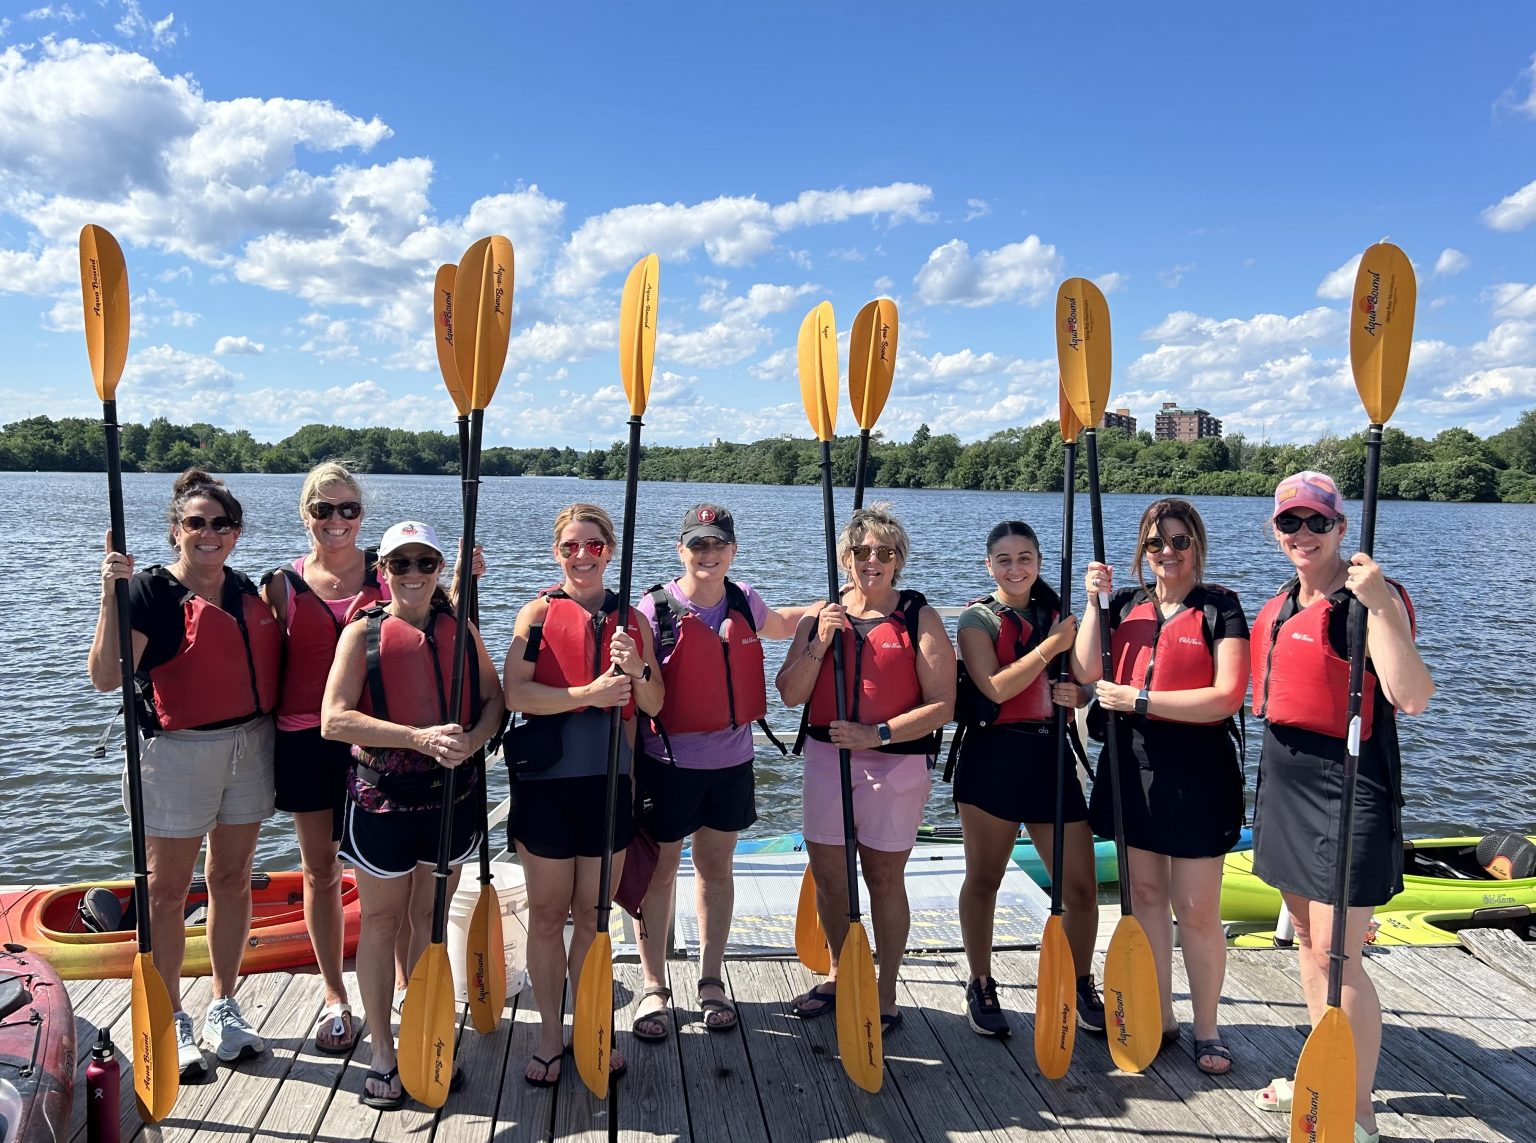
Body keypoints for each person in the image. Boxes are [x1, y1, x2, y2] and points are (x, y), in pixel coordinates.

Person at [1247, 472, 1433, 1142]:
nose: (1302, 535)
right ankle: (1321, 1071)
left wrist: (1381, 604)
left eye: (1316, 523)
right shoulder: (1282, 600)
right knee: (1306, 940)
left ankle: (1356, 1110)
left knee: (1339, 956)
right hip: (1286, 782)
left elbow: (1411, 695)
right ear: (1276, 529)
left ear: (1341, 528)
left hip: (1347, 784)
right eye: (1290, 523)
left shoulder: (1366, 602)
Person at [89, 468, 280, 1077]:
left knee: (231, 878)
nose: (208, 533)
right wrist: (107, 595)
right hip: (173, 754)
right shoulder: (147, 593)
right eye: (196, 523)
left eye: (220, 524)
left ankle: (224, 1003)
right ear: (176, 531)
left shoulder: (247, 590)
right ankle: (172, 1012)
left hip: (249, 745)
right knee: (167, 891)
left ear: (236, 534)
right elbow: (104, 677)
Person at [321, 520, 504, 1111]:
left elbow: (495, 702)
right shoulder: (362, 636)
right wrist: (417, 737)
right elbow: (333, 719)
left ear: (437, 571)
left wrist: (473, 740)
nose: (414, 575)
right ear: (384, 573)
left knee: (430, 917)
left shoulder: (462, 629)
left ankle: (430, 1028)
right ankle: (381, 1049)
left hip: (449, 797)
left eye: (425, 563)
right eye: (401, 565)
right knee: (380, 922)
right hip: (383, 800)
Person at [1071, 497, 1250, 1074]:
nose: (1167, 553)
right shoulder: (1124, 605)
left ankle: (1207, 1028)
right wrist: (1093, 603)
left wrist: (1141, 699)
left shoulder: (1221, 607)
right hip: (1131, 768)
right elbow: (1083, 672)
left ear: (1196, 545)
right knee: (1144, 898)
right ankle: (1158, 1014)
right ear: (1142, 553)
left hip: (1198, 775)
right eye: (1155, 543)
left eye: (1178, 541)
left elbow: (1227, 696)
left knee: (1195, 910)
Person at [629, 504, 809, 1041]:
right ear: (681, 549)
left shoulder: (744, 599)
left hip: (731, 761)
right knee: (660, 872)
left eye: (718, 545)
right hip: (668, 763)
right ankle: (654, 986)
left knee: (715, 870)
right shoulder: (654, 607)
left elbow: (780, 626)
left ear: (732, 550)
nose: (708, 554)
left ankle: (711, 980)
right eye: (697, 545)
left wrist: (830, 607)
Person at [775, 504, 955, 1030]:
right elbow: (789, 694)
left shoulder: (918, 615)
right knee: (831, 879)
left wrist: (876, 733)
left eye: (884, 552)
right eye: (860, 551)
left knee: (882, 878)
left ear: (898, 559)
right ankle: (838, 971)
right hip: (829, 758)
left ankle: (884, 989)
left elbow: (944, 704)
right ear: (844, 558)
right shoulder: (819, 617)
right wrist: (822, 641)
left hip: (894, 764)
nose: (871, 560)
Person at [502, 503, 664, 1087]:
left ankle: (593, 1024)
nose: (582, 556)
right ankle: (551, 1034)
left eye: (593, 546)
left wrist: (636, 668)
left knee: (594, 917)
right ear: (557, 552)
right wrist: (587, 693)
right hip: (545, 789)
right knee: (548, 916)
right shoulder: (536, 615)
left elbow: (653, 704)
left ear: (609, 552)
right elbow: (516, 694)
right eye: (571, 546)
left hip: (607, 787)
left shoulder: (632, 623)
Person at [951, 520, 1103, 1038]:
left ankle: (1080, 982)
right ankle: (980, 980)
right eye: (1004, 560)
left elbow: (1086, 682)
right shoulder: (977, 619)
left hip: (1050, 758)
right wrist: (1047, 649)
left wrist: (1078, 696)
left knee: (1080, 887)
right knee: (986, 879)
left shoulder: (1058, 613)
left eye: (1025, 558)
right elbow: (992, 688)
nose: (1015, 569)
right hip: (992, 758)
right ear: (989, 565)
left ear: (1038, 561)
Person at [261, 462, 382, 1055]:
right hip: (305, 738)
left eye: (348, 509)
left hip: (378, 740)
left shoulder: (395, 572)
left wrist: (465, 584)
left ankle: (405, 984)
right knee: (321, 870)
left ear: (362, 515)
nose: (337, 521)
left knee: (391, 868)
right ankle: (335, 992)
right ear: (304, 514)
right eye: (323, 510)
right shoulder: (281, 585)